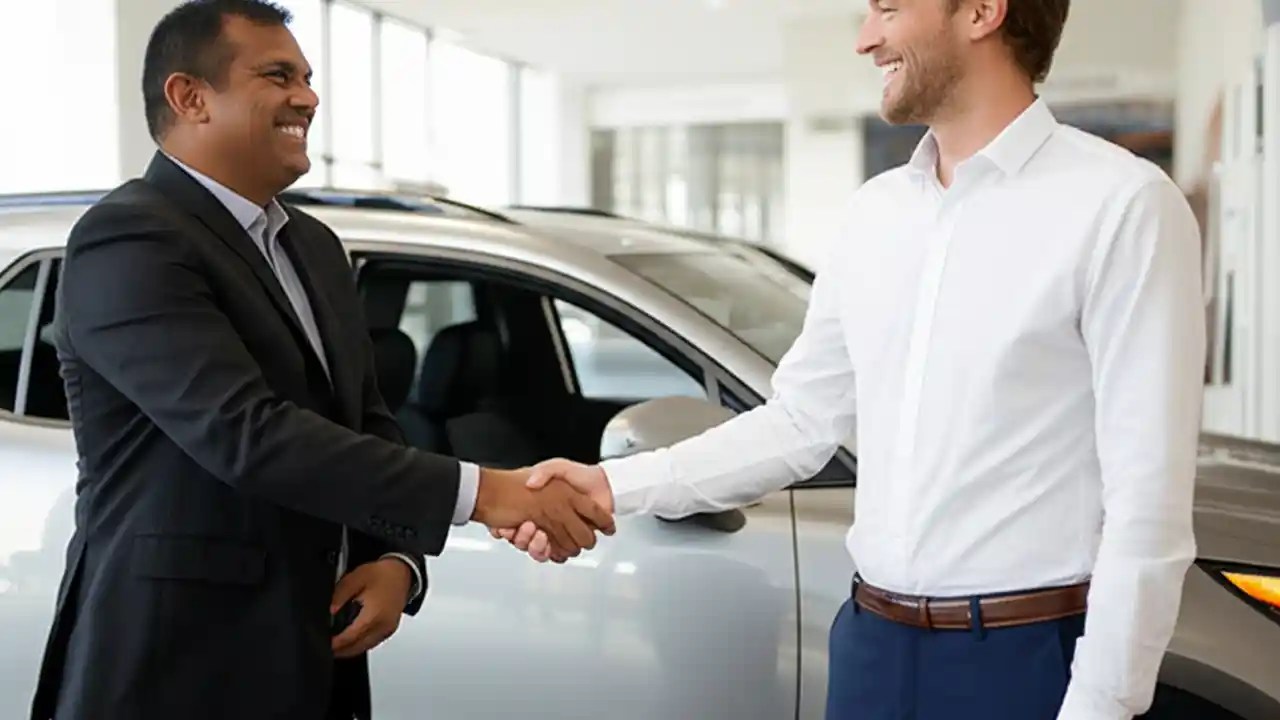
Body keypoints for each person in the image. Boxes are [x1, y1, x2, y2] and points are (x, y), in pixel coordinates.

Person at [500, 0, 1206, 718]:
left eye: (889, 9)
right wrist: (609, 487)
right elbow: (802, 421)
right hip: (871, 650)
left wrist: (1101, 706)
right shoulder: (877, 213)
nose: (867, 39)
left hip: (1021, 663)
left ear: (984, 12)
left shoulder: (1121, 206)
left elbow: (1147, 505)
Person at [29, 2, 612, 719]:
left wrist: (397, 561)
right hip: (174, 663)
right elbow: (246, 433)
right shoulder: (131, 237)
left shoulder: (312, 246)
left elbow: (363, 420)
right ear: (190, 97)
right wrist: (488, 493)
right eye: (278, 75)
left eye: (308, 77)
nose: (307, 96)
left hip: (312, 653)